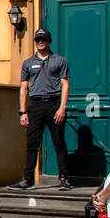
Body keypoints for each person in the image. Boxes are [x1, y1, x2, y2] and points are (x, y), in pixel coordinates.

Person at [11, 27, 71, 191]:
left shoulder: (60, 61)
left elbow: (65, 84)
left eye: (43, 39)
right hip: (35, 105)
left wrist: (62, 108)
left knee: (59, 142)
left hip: (54, 104)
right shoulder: (28, 63)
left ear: (49, 41)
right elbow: (24, 88)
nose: (40, 42)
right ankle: (28, 180)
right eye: (38, 40)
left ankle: (64, 179)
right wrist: (23, 111)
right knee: (32, 144)